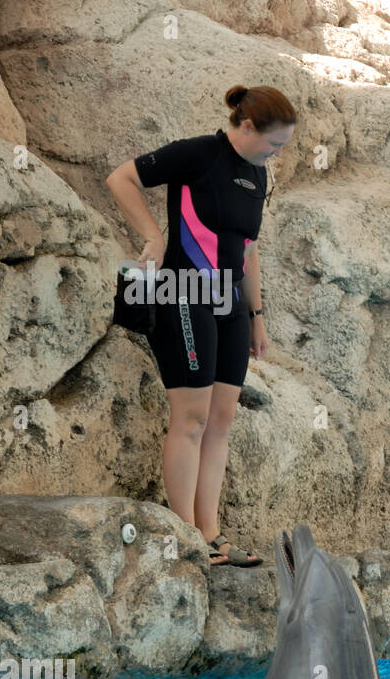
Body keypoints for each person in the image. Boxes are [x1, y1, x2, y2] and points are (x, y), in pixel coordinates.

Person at [106, 85, 296, 565]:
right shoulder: (198, 155)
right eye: (273, 143)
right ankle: (186, 535)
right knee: (191, 420)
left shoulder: (256, 176)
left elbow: (248, 250)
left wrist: (256, 316)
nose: (276, 154)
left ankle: (211, 534)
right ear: (247, 126)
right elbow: (122, 178)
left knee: (221, 420)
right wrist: (153, 235)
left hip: (229, 303)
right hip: (185, 295)